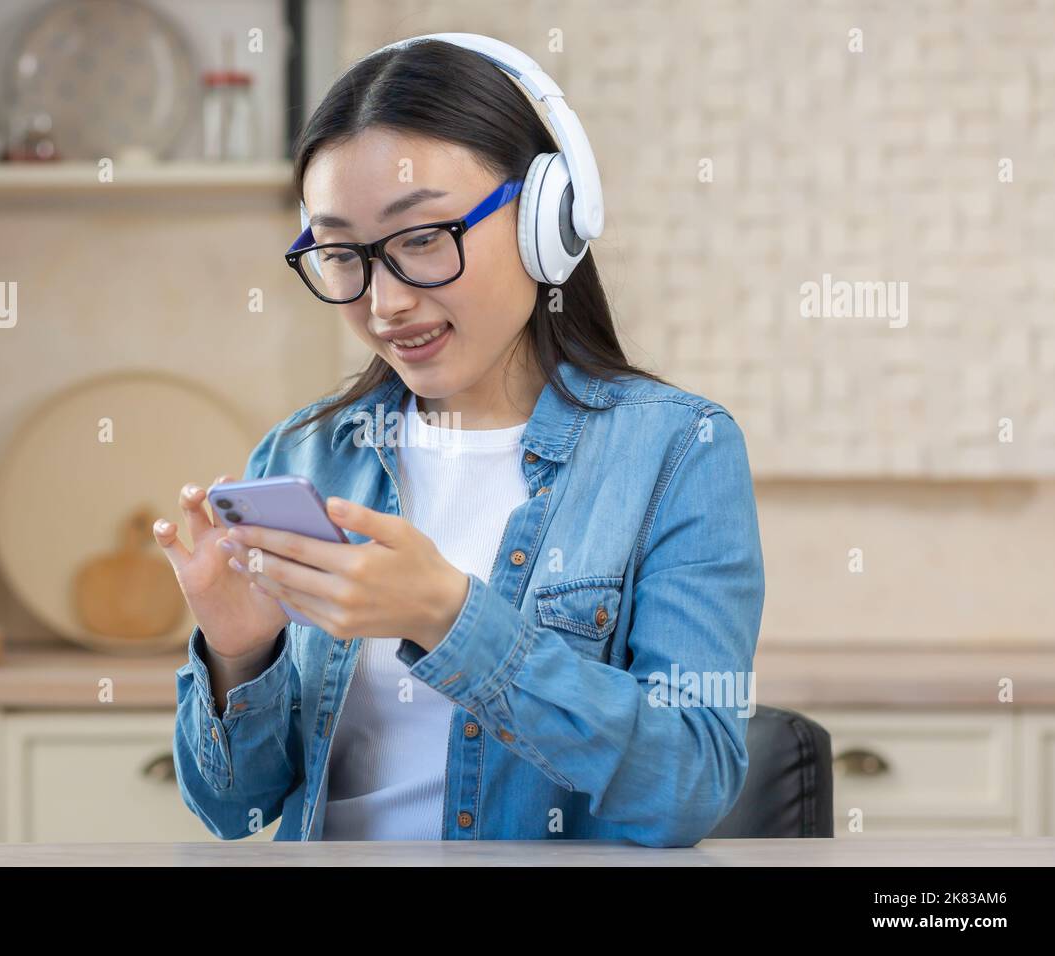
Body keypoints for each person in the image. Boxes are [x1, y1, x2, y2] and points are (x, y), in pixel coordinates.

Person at [154, 34, 765, 845]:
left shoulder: (676, 452)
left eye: (421, 239)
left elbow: (691, 783)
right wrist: (240, 656)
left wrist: (447, 617)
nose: (385, 302)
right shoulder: (304, 455)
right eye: (344, 254)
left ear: (549, 218)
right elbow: (234, 809)